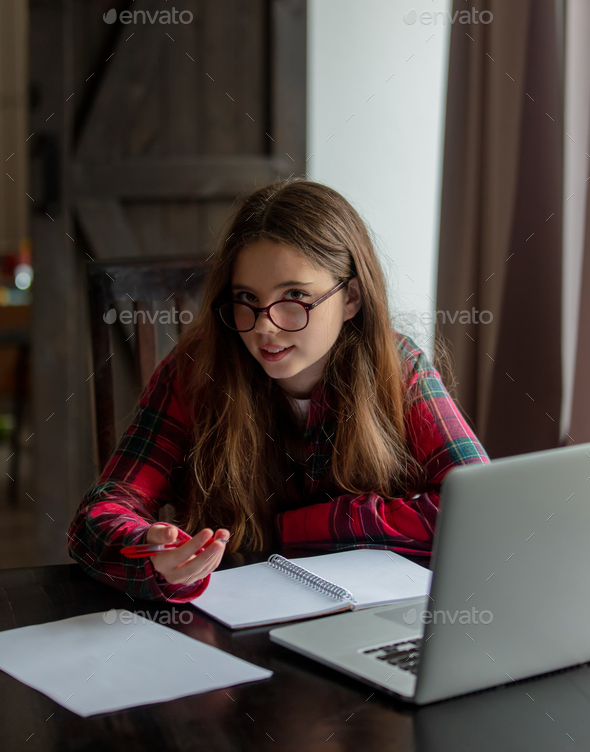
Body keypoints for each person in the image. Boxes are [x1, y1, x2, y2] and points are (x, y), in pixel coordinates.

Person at [68, 178, 489, 603]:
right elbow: (98, 516)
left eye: (294, 296)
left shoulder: (398, 368)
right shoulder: (197, 370)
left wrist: (297, 526)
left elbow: (479, 506)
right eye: (246, 297)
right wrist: (148, 548)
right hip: (235, 621)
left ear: (352, 298)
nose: (265, 326)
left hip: (369, 617)